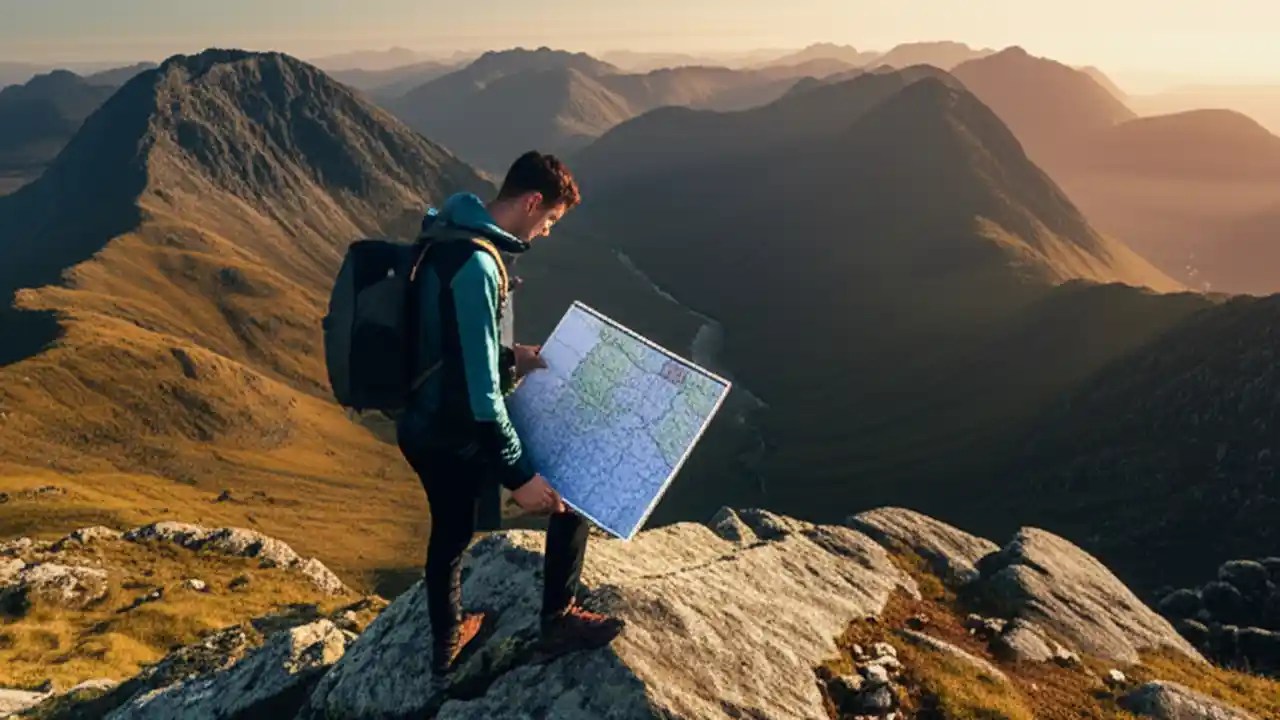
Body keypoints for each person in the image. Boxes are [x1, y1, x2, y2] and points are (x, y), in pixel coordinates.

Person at [396, 151, 625, 675]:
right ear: (532, 202)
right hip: (455, 428)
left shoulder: (448, 231)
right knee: (568, 484)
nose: (546, 232)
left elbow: (449, 342)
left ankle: (446, 642)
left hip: (422, 422)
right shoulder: (479, 264)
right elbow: (481, 396)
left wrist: (509, 356)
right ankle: (558, 618)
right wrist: (521, 478)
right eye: (549, 221)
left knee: (450, 531)